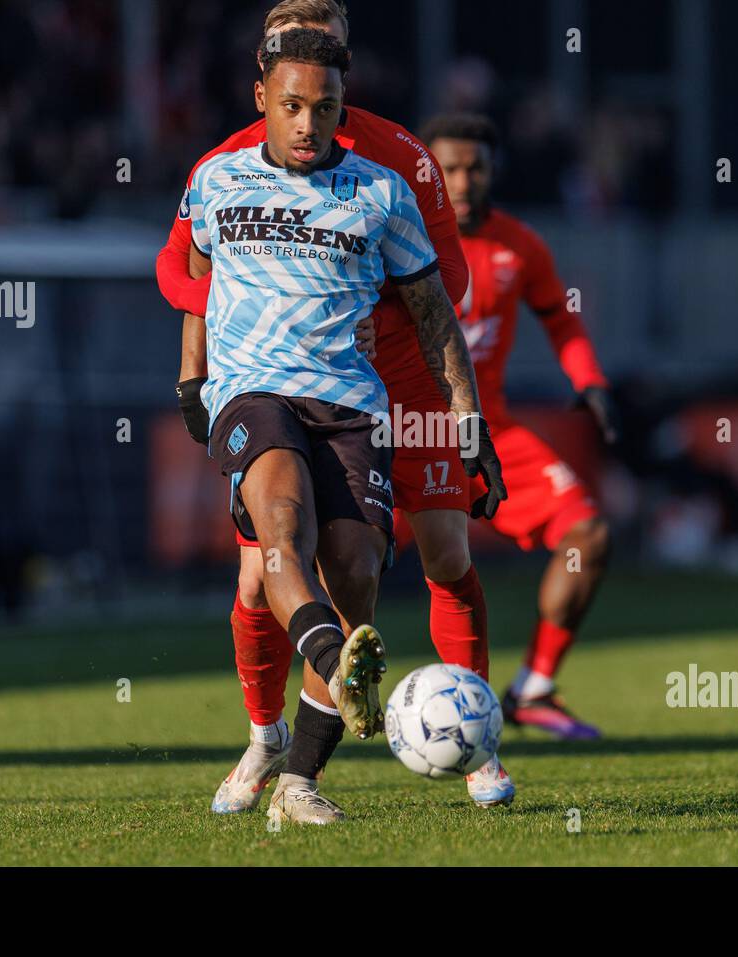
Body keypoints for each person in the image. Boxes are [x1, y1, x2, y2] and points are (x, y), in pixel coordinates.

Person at [157, 0, 516, 810]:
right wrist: (192, 379)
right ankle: (271, 725)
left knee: (382, 563)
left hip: (368, 395)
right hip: (257, 391)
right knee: (272, 555)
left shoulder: (389, 179)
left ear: (345, 72)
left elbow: (439, 301)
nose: (308, 119)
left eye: (323, 100)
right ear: (263, 88)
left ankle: (304, 775)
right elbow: (188, 276)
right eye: (291, 101)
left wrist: (467, 423)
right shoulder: (218, 172)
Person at [419, 112, 619, 739]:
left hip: (489, 435)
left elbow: (560, 317)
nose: (462, 180)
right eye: (448, 168)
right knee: (346, 559)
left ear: (492, 169)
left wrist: (587, 380)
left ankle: (534, 687)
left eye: (474, 167)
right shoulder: (402, 238)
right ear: (427, 171)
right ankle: (314, 715)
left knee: (586, 535)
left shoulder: (519, 246)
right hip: (404, 433)